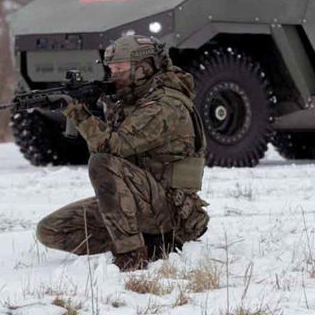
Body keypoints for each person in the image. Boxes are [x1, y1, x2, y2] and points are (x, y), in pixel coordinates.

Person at [35, 35, 209, 271]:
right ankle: (148, 242)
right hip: (140, 201)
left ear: (144, 67)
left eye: (120, 68)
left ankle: (132, 254)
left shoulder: (165, 105)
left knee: (101, 163)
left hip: (170, 210)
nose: (113, 74)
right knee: (51, 230)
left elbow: (113, 148)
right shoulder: (132, 102)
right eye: (110, 68)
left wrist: (78, 113)